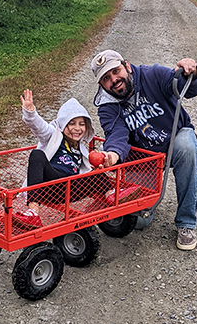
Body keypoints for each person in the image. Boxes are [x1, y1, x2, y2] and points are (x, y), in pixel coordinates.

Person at [91, 50, 197, 250]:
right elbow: (117, 134)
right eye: (107, 79)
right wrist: (113, 154)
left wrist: (192, 73)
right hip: (144, 159)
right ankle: (154, 193)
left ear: (126, 66)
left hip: (174, 144)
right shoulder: (107, 106)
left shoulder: (152, 75)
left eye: (116, 71)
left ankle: (186, 223)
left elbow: (188, 87)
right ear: (101, 85)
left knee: (187, 146)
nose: (114, 80)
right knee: (139, 222)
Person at [16, 89, 139, 230]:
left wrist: (103, 159)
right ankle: (33, 212)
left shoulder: (82, 149)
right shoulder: (53, 136)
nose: (77, 128)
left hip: (69, 190)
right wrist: (30, 113)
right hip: (50, 185)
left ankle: (112, 194)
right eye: (72, 123)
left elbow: (90, 167)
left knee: (95, 175)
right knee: (37, 154)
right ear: (63, 124)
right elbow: (39, 127)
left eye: (81, 124)